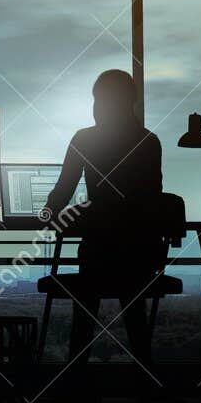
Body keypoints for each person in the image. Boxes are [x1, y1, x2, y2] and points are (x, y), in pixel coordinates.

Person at [40, 69, 163, 365]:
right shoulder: (149, 141)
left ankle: (75, 383)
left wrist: (50, 214)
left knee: (85, 309)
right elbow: (152, 198)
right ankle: (146, 386)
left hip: (98, 255)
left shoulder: (85, 139)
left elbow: (63, 190)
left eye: (98, 101)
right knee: (135, 316)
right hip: (141, 258)